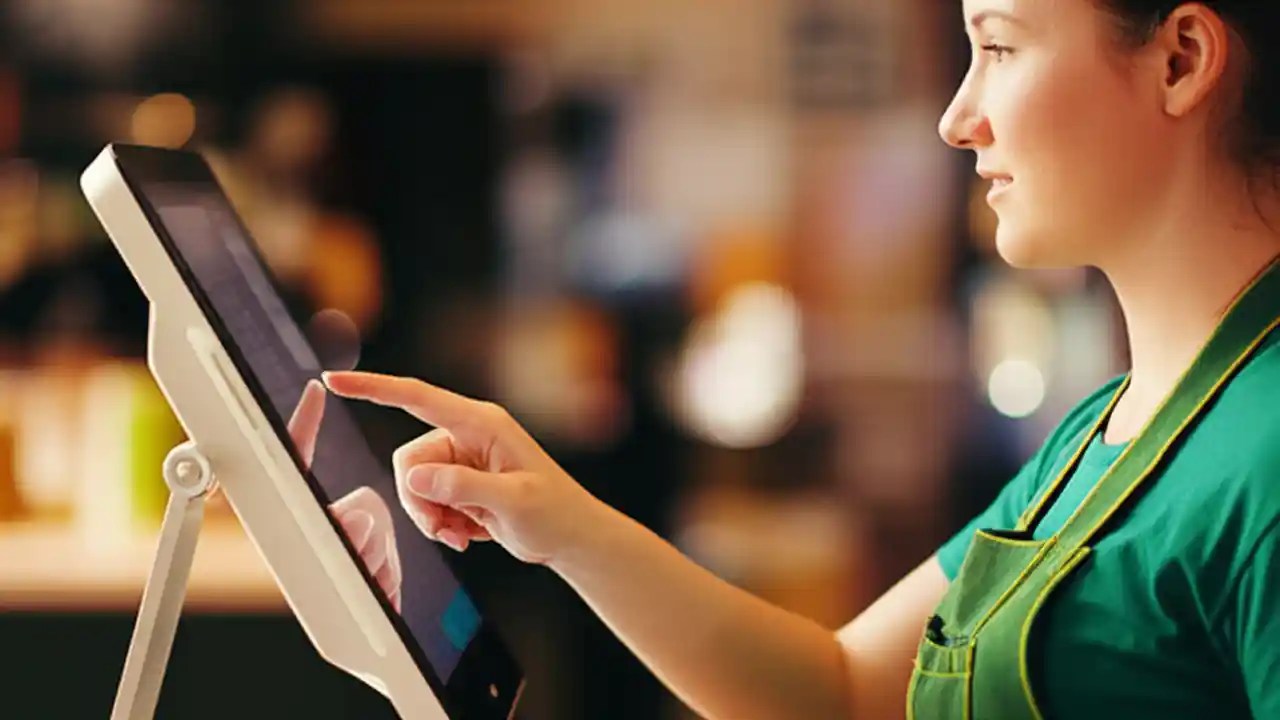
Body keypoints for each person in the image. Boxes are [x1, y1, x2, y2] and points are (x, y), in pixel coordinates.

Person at [311, 0, 1280, 717]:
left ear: (1180, 60)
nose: (958, 116)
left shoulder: (1264, 459)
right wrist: (559, 523)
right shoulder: (1104, 432)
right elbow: (840, 692)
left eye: (997, 46)